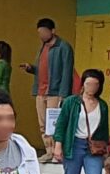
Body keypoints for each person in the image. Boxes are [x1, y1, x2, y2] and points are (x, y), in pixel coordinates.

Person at [50, 69, 110, 174]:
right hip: (74, 144)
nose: (92, 87)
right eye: (88, 83)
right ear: (83, 84)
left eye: (95, 84)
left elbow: (104, 129)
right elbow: (61, 124)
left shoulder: (102, 105)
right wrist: (58, 145)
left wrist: (106, 149)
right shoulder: (71, 102)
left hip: (93, 147)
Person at [21, 18, 74, 147]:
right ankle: (48, 151)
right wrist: (31, 69)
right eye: (39, 33)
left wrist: (63, 94)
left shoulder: (63, 47)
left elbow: (67, 71)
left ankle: (57, 151)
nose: (42, 35)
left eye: (44, 32)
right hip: (40, 91)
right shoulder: (43, 47)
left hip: (55, 92)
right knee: (43, 125)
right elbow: (43, 69)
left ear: (53, 31)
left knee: (55, 124)